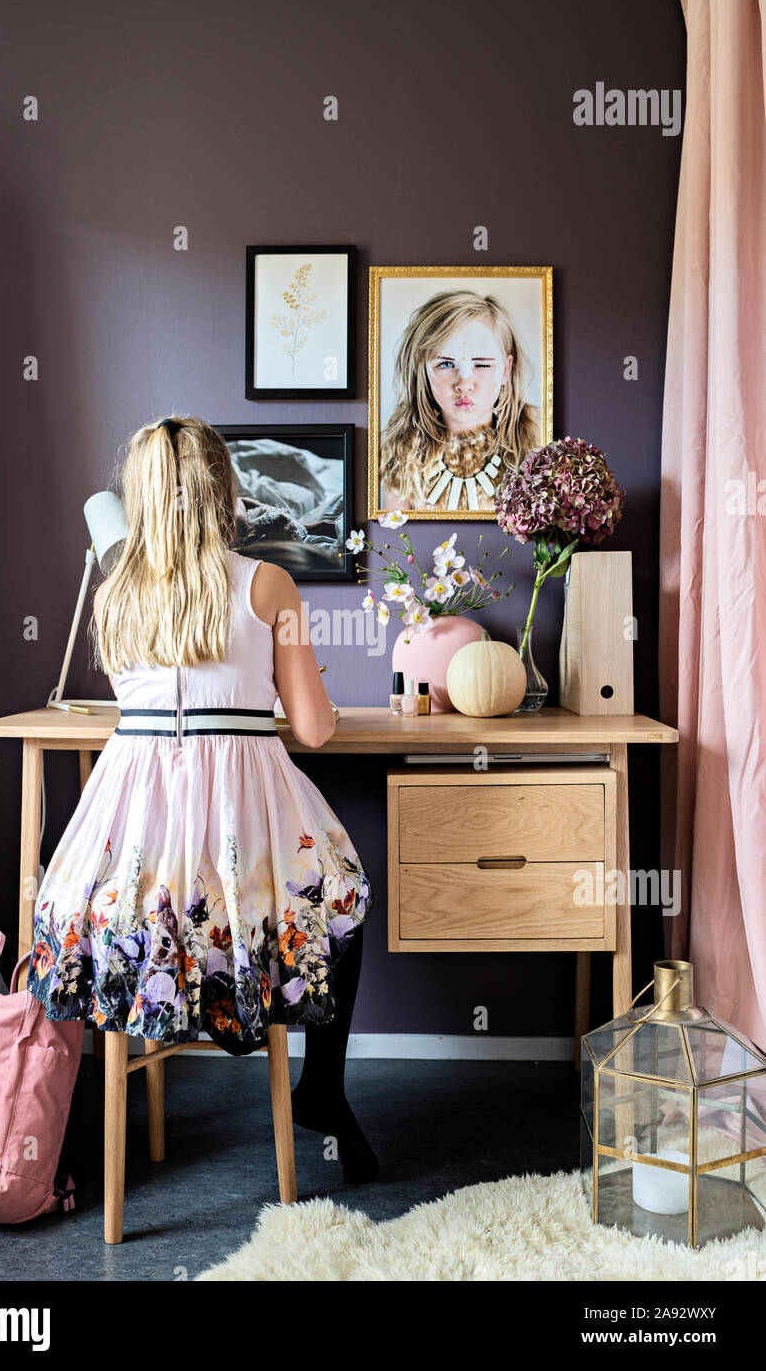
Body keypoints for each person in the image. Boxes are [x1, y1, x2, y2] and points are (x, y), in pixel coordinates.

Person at [28, 416, 377, 1181]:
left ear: (141, 494)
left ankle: (176, 1010)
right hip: (239, 850)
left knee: (160, 899)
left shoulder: (115, 594)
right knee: (343, 892)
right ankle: (315, 1083)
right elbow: (314, 730)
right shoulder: (268, 583)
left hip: (138, 863)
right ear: (226, 488)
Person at [380, 289, 541, 512]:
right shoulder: (400, 453)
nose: (464, 383)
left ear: (506, 369)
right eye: (446, 364)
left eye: (482, 364)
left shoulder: (538, 443)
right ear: (422, 371)